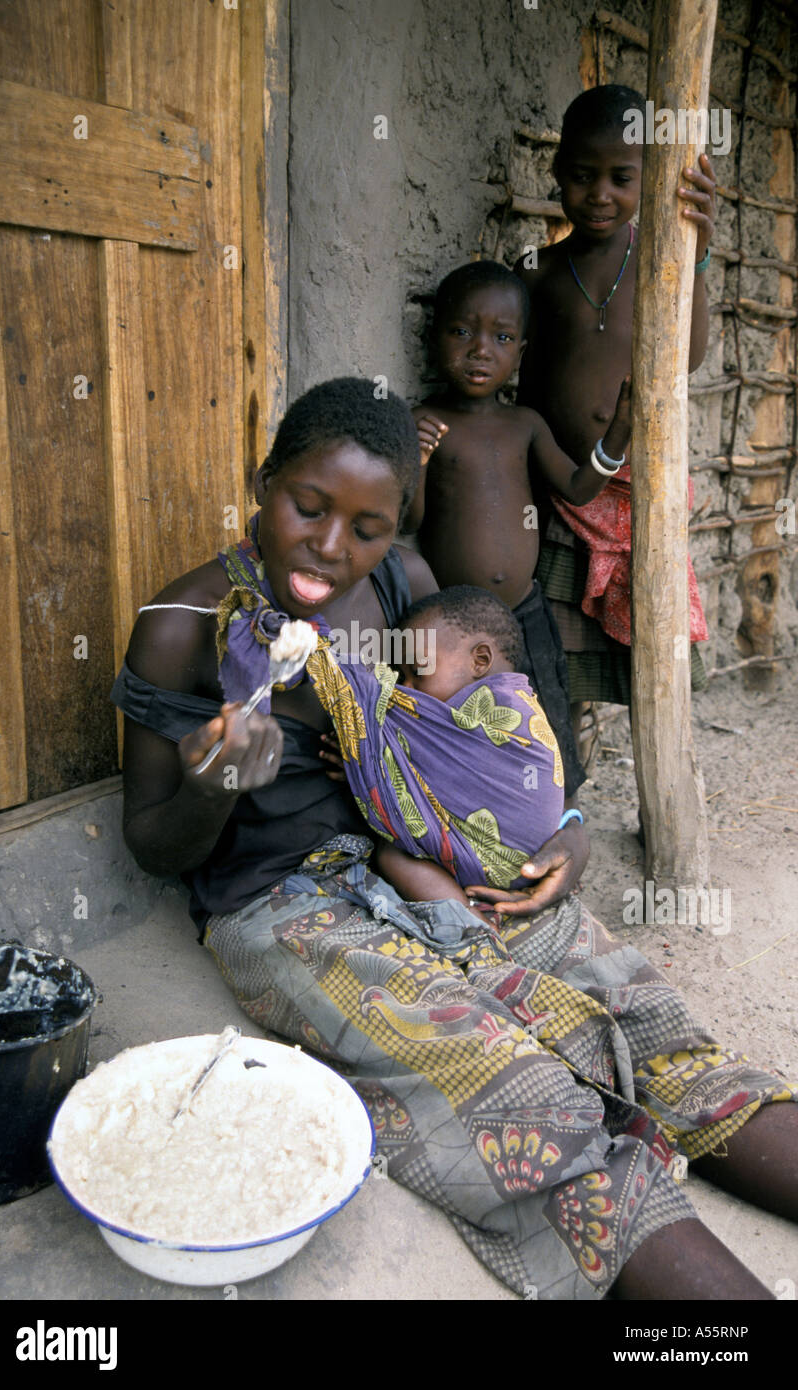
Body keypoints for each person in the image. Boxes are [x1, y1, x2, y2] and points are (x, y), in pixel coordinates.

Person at [114, 376, 796, 1301]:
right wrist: (220, 781)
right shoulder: (182, 630)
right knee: (519, 1094)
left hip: (436, 852)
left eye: (368, 526)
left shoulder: (397, 590)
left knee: (647, 1019)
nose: (329, 547)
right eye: (308, 507)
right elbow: (155, 845)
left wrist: (569, 831)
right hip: (284, 906)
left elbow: (489, 725)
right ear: (264, 480)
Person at [515, 84, 715, 761]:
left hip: (635, 494)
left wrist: (699, 249)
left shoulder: (662, 263)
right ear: (557, 173)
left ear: (646, 180)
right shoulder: (541, 273)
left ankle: (661, 780)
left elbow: (687, 355)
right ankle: (558, 780)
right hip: (568, 492)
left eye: (621, 177)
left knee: (647, 654)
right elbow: (525, 385)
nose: (599, 192)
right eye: (581, 175)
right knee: (558, 651)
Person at [401, 258, 631, 803]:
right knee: (462, 718)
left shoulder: (524, 424)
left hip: (525, 609)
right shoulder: (426, 422)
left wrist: (617, 435)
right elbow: (410, 523)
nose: (480, 349)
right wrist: (419, 461)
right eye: (461, 331)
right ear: (434, 337)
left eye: (501, 337)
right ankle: (475, 814)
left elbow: (577, 488)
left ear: (520, 353)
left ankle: (560, 813)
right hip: (456, 615)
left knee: (545, 704)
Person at [307, 584, 565, 908]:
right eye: (401, 677)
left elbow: (431, 768)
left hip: (496, 861)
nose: (407, 690)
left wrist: (369, 759)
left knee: (391, 855)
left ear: (480, 660)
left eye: (417, 671)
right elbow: (440, 777)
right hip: (528, 865)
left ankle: (470, 923)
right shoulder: (520, 707)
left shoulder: (500, 710)